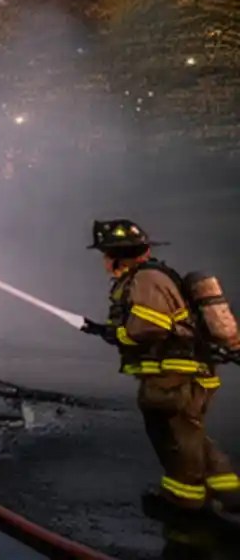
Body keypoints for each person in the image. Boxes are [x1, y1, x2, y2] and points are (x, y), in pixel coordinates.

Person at [82, 219, 240, 514]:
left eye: (105, 254)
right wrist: (104, 329)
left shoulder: (145, 279)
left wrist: (112, 333)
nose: (104, 262)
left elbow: (147, 328)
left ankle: (185, 505)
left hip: (172, 378)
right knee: (190, 435)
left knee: (175, 442)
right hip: (184, 375)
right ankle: (228, 491)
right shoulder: (150, 277)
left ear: (118, 255)